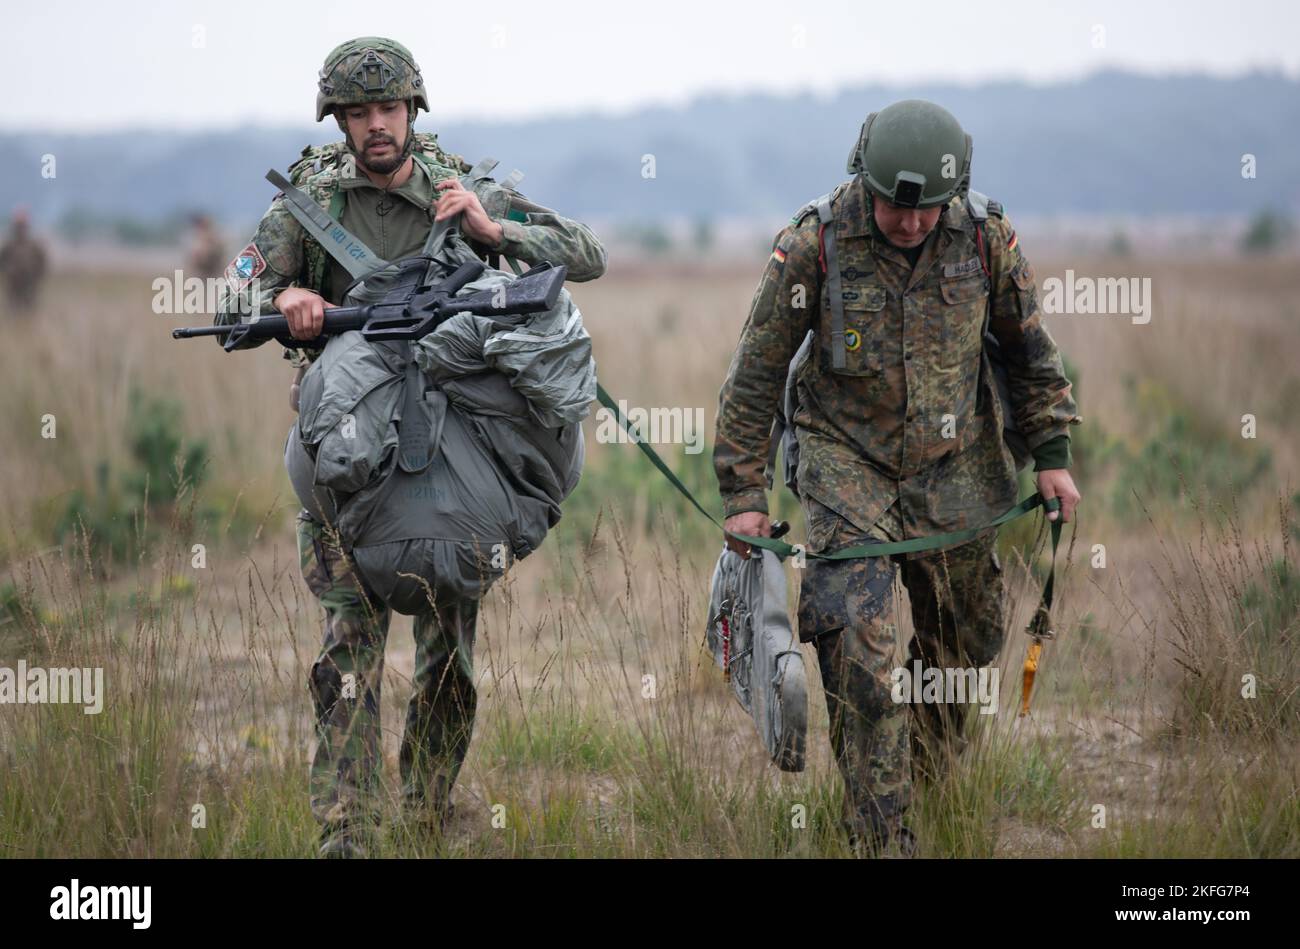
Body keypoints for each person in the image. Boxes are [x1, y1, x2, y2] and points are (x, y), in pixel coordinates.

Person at [215, 37, 606, 857]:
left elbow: (586, 255)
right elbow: (228, 307)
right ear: (339, 120)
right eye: (357, 114)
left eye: (387, 108)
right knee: (347, 654)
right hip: (348, 468)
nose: (375, 126)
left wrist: (493, 230)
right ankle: (347, 833)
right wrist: (286, 295)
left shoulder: (460, 187)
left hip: (454, 459)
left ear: (413, 110)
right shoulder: (307, 208)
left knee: (448, 660)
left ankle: (426, 813)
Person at [712, 99, 1081, 857]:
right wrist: (745, 494)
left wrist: (1050, 452)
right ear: (863, 178)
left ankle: (932, 775)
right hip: (849, 465)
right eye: (894, 206)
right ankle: (882, 832)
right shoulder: (812, 243)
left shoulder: (986, 239)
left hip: (958, 467)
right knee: (858, 649)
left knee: (965, 647)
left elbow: (1028, 350)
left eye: (926, 209)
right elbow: (755, 371)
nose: (910, 221)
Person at [0, 208, 48, 314]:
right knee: (12, 311)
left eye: (22, 225)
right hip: (13, 285)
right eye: (18, 225)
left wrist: (36, 277)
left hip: (29, 284)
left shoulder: (34, 245)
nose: (20, 228)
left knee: (29, 310)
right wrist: (8, 273)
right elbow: (2, 262)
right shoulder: (9, 245)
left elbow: (42, 263)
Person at [187, 213, 225, 281]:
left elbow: (219, 251)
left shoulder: (212, 235)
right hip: (202, 270)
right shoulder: (198, 236)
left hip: (212, 268)